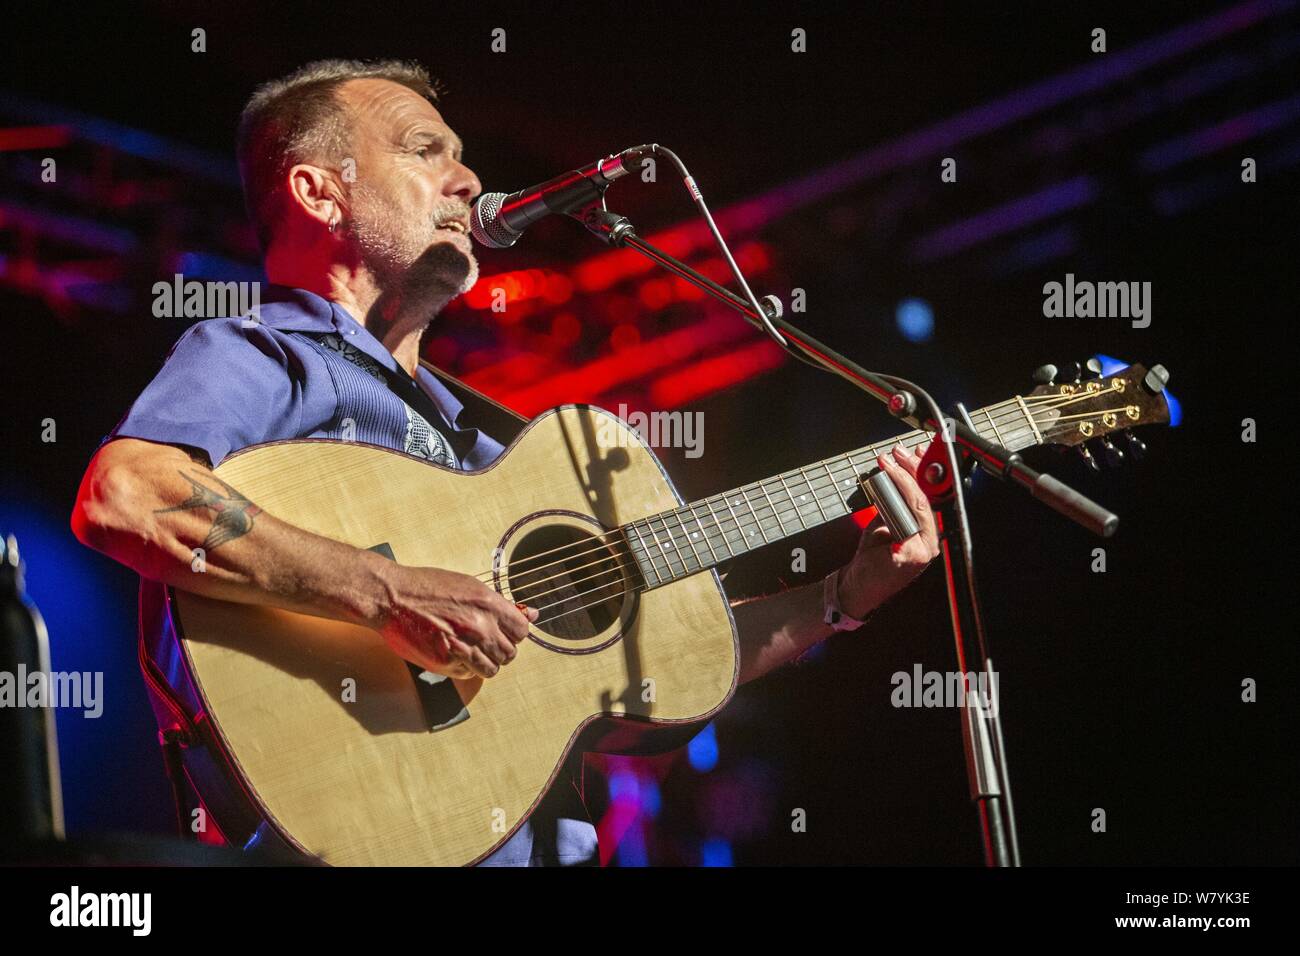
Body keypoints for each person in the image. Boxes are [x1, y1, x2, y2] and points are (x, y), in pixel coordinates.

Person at [71, 59, 940, 866]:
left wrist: (841, 598)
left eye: (464, 158)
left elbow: (658, 664)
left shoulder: (489, 446)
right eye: (426, 152)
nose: (470, 182)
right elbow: (126, 494)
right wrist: (385, 593)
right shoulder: (265, 354)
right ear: (318, 193)